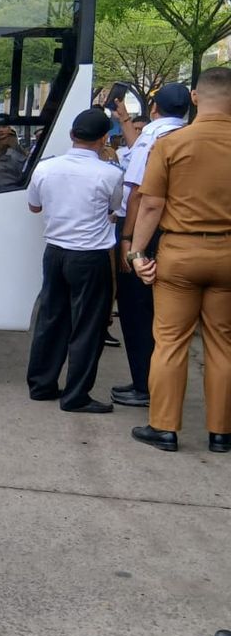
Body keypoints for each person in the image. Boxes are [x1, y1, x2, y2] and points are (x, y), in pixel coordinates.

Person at [127, 66, 231, 452]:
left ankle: (164, 427)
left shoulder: (171, 143)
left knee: (170, 341)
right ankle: (221, 433)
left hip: (181, 253)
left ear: (195, 98)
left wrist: (137, 253)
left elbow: (151, 204)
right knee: (223, 344)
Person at [25, 108, 124, 413]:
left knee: (51, 319)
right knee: (88, 325)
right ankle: (76, 395)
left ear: (72, 135)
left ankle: (41, 385)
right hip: (91, 256)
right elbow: (115, 209)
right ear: (104, 139)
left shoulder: (45, 168)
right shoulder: (110, 173)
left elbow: (34, 207)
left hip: (55, 253)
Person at [111, 83, 190, 407]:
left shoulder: (152, 137)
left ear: (154, 108)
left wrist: (129, 242)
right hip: (181, 233)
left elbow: (139, 195)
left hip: (145, 230)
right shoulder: (187, 135)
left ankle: (144, 385)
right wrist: (125, 120)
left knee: (137, 310)